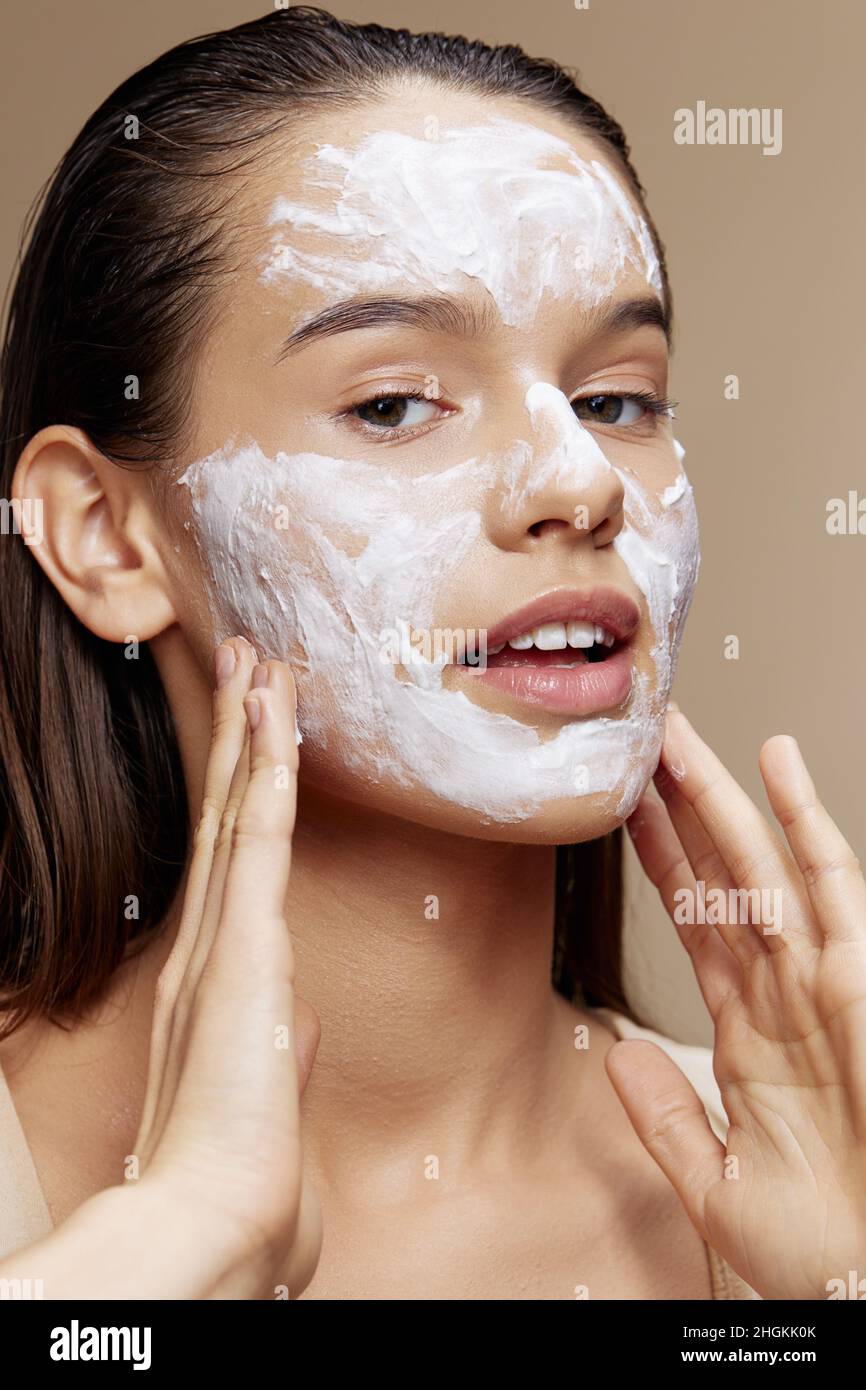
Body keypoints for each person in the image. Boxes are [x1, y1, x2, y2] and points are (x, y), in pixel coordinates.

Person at [0, 6, 863, 1301]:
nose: (577, 482)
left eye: (615, 399)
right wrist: (154, 1262)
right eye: (394, 402)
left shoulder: (809, 1195)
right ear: (106, 537)